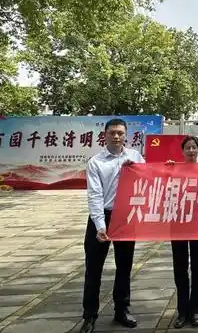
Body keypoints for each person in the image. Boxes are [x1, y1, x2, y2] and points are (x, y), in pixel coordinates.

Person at [79, 118, 145, 333]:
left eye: (120, 133)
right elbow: (95, 196)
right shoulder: (96, 162)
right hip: (102, 218)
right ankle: (89, 315)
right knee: (94, 269)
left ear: (126, 135)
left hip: (126, 218)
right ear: (105, 135)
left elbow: (151, 178)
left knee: (124, 267)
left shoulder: (135, 156)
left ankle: (122, 310)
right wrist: (100, 226)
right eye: (112, 133)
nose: (116, 136)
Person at [166, 136, 198, 328]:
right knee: (180, 268)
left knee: (197, 268)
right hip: (178, 223)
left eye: (194, 147)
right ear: (182, 151)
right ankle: (182, 311)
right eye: (188, 148)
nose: (191, 151)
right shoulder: (174, 169)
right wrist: (166, 171)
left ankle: (196, 310)